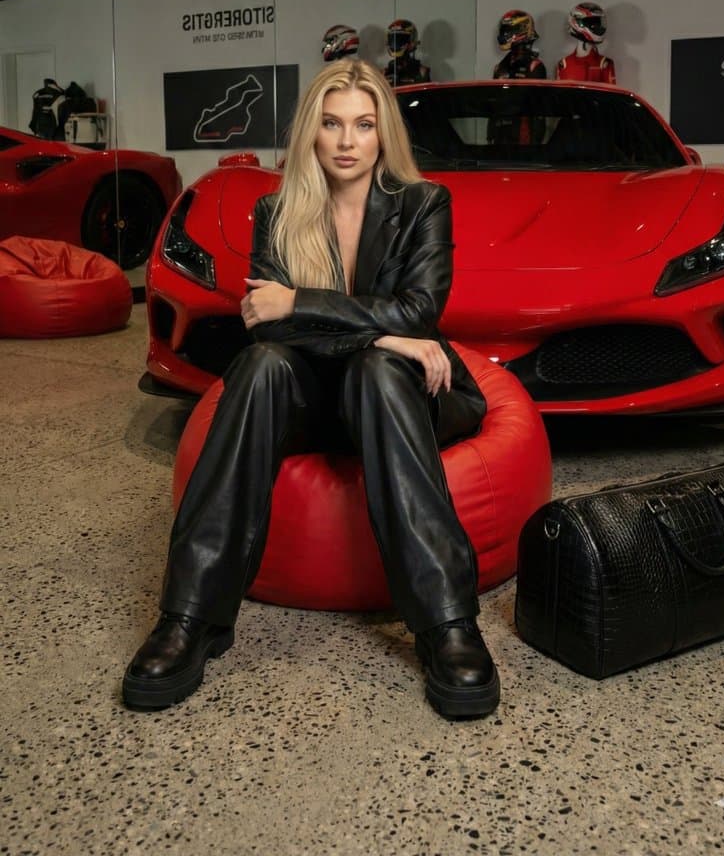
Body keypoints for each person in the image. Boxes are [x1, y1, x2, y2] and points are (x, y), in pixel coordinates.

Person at [123, 59, 499, 719]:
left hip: (396, 400)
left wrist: (308, 304)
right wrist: (383, 332)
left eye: (362, 124)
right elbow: (268, 326)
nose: (347, 141)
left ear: (384, 134)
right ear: (311, 134)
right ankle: (191, 616)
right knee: (264, 364)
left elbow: (418, 312)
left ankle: (447, 623)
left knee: (378, 371)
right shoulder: (276, 212)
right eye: (331, 124)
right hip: (309, 394)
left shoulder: (423, 204)